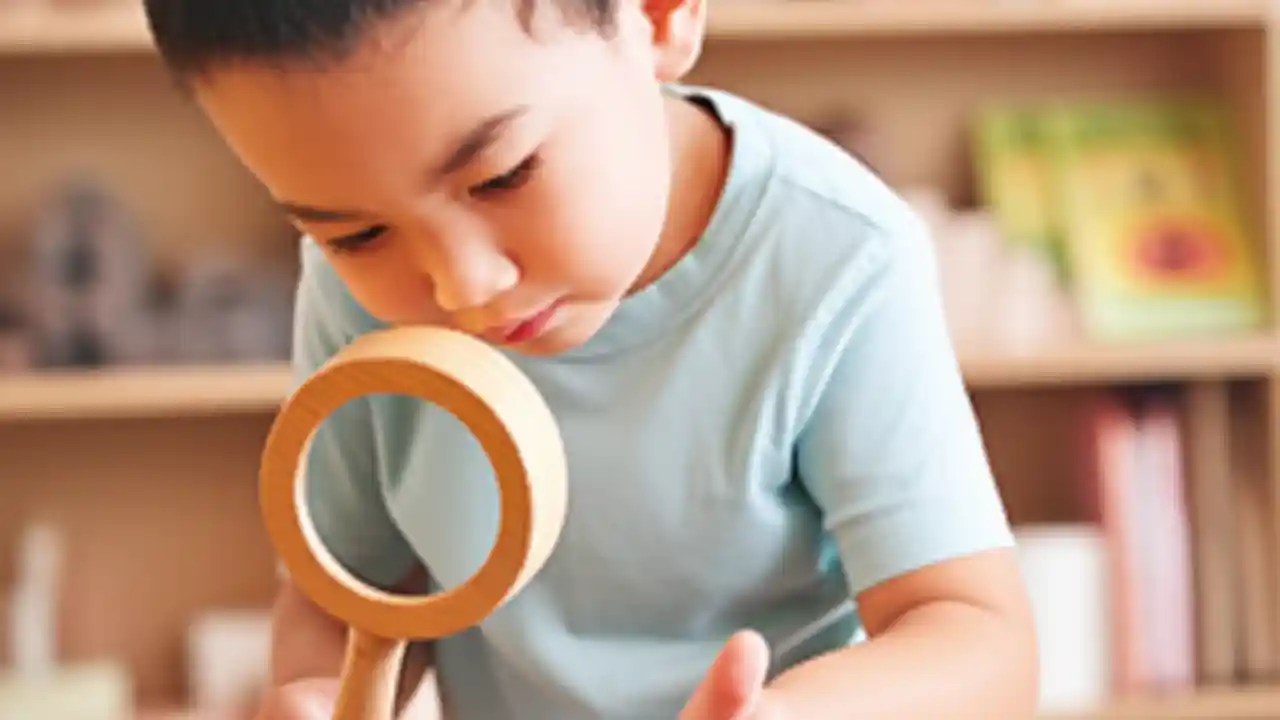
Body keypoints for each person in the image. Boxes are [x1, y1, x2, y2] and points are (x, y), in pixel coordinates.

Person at [142, 0, 1039, 717]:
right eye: (358, 231)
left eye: (502, 175)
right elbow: (347, 594)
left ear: (656, 16)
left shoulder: (838, 256)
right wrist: (310, 695)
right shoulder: (349, 294)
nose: (463, 285)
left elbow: (978, 640)